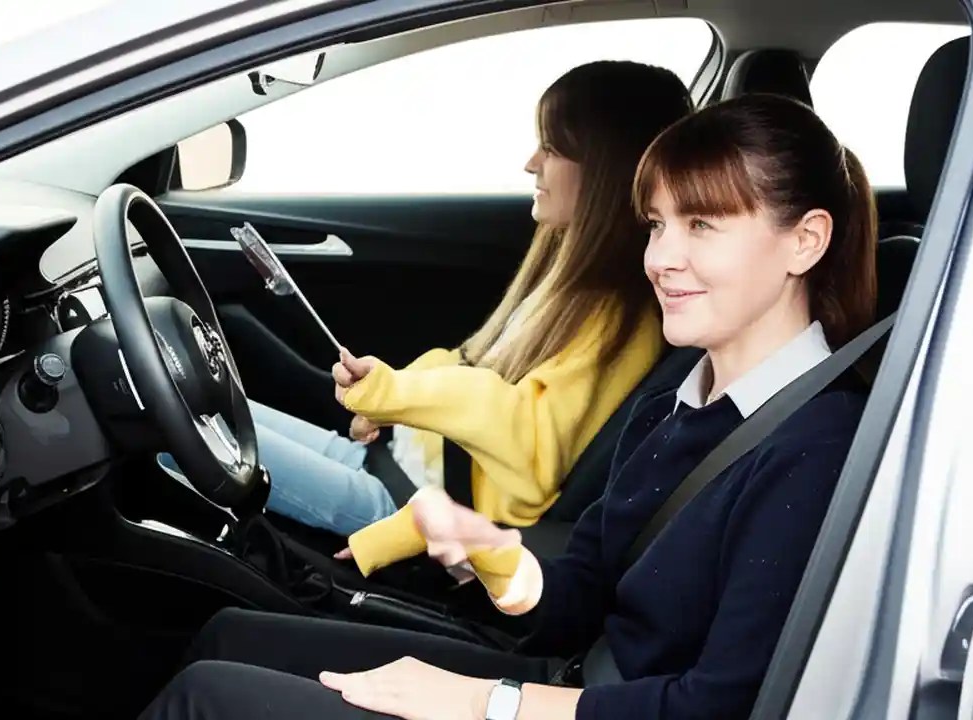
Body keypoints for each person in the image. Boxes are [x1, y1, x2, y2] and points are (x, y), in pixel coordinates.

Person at [137, 92, 879, 720]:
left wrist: (485, 702)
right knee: (231, 636)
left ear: (805, 243)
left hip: (578, 707)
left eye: (703, 226)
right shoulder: (674, 402)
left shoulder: (816, 446)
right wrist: (494, 556)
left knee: (204, 697)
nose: (660, 256)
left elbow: (718, 705)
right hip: (571, 681)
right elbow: (578, 598)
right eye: (657, 224)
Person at [166, 60, 692, 565]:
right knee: (195, 408)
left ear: (604, 171)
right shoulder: (572, 285)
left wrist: (398, 396)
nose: (530, 163)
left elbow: (531, 451)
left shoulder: (619, 321)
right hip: (393, 463)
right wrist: (389, 396)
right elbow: (469, 365)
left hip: (402, 505)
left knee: (170, 432)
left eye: (550, 149)